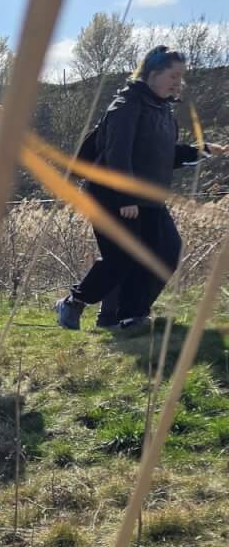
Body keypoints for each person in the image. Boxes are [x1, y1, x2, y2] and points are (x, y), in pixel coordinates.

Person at [57, 45, 226, 332]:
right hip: (110, 195)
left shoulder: (163, 111)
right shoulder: (126, 106)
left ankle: (132, 315)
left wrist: (203, 150)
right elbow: (117, 154)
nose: (178, 82)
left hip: (149, 198)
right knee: (122, 256)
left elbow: (165, 156)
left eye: (181, 76)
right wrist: (126, 197)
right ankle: (74, 302)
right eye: (173, 75)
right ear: (153, 73)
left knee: (167, 252)